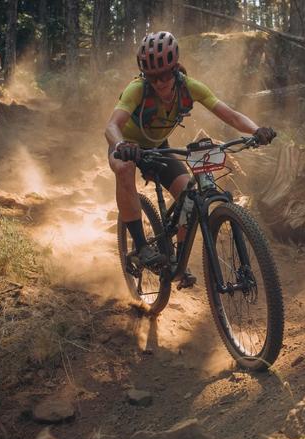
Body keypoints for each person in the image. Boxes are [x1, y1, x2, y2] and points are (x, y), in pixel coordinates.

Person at [105, 31, 276, 286]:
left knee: (188, 194)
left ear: (174, 69)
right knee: (125, 169)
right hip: (126, 147)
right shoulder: (136, 89)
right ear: (145, 75)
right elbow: (111, 126)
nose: (160, 83)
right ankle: (141, 246)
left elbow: (230, 115)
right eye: (153, 77)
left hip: (157, 146)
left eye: (164, 75)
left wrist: (255, 130)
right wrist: (121, 145)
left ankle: (177, 261)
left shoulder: (189, 86)